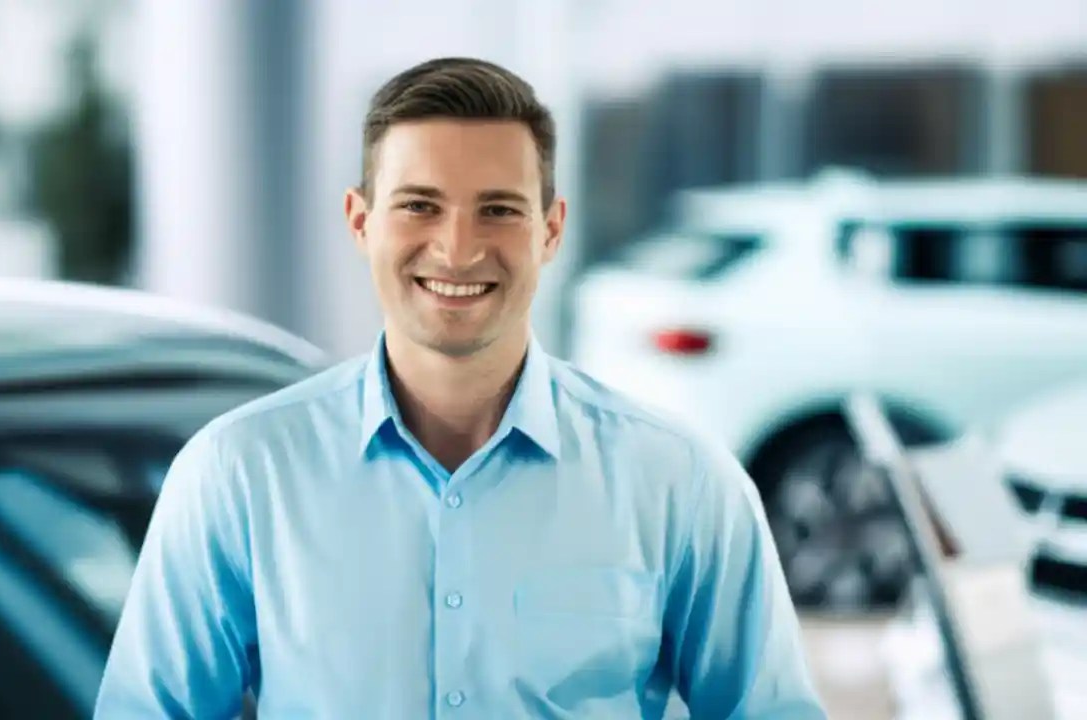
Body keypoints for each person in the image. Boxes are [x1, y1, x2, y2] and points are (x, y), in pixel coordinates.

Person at [95, 57, 827, 719]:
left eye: (499, 210)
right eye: (419, 204)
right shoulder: (237, 475)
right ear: (361, 221)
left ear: (549, 230)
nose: (457, 247)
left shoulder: (681, 483)